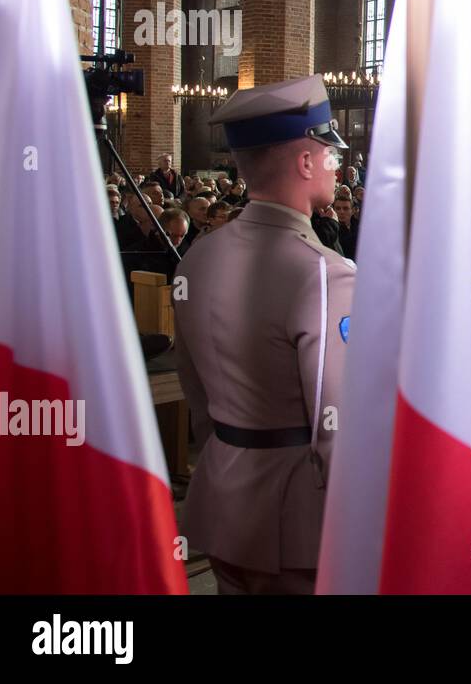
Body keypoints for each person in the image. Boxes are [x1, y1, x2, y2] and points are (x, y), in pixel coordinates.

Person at [172, 73, 354, 595]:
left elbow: (199, 398)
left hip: (225, 499)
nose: (336, 165)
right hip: (299, 523)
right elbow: (336, 430)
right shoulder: (325, 273)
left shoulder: (197, 259)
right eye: (329, 154)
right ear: (304, 162)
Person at [334, 194, 359, 260]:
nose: (341, 212)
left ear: (353, 211)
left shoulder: (360, 228)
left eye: (346, 208)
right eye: (338, 208)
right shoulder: (331, 231)